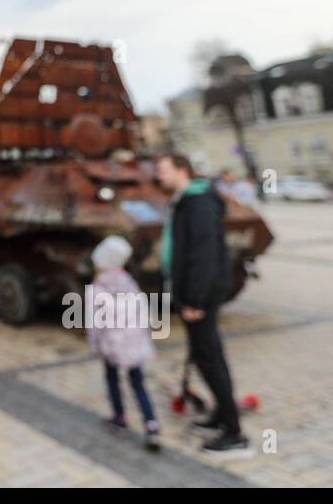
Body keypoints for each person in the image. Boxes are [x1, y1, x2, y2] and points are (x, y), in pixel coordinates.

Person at [155, 153, 250, 457]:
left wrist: (194, 300)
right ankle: (221, 415)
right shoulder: (186, 201)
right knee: (205, 356)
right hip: (193, 294)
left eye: (163, 170)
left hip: (201, 297)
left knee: (210, 358)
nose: (159, 176)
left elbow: (203, 255)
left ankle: (235, 435)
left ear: (181, 170)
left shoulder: (198, 204)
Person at [86, 235, 161, 452]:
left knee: (112, 378)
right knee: (138, 383)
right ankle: (151, 424)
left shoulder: (96, 289)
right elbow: (144, 311)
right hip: (134, 343)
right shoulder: (129, 282)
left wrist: (95, 345)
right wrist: (145, 335)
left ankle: (119, 416)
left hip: (111, 344)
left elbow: (94, 323)